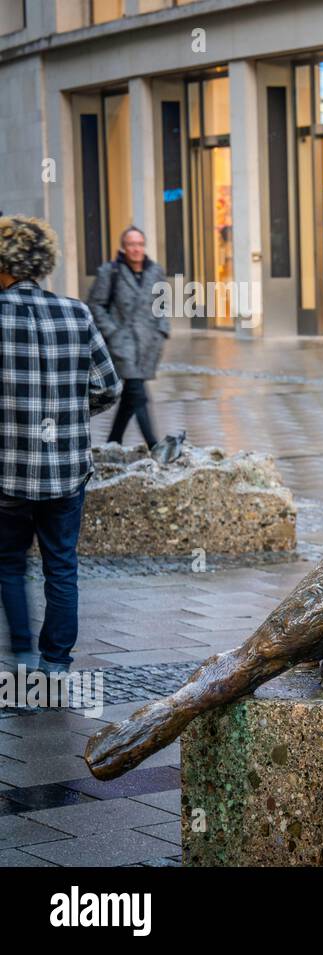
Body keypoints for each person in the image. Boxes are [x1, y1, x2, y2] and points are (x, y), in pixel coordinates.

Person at [0, 215, 121, 673]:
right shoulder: (76, 312)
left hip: (8, 468)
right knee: (61, 566)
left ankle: (22, 654)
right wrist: (67, 414)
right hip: (66, 468)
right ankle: (55, 663)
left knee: (9, 563)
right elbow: (107, 387)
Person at [88, 225, 170, 449]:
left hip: (149, 343)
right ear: (124, 247)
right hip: (122, 342)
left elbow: (162, 304)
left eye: (140, 244)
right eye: (131, 244)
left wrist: (162, 329)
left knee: (131, 396)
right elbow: (95, 305)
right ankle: (154, 445)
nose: (136, 249)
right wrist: (112, 332)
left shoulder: (155, 271)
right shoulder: (110, 272)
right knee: (137, 391)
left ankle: (113, 440)